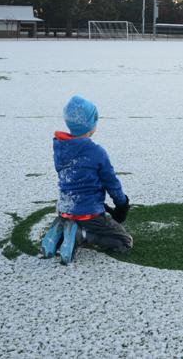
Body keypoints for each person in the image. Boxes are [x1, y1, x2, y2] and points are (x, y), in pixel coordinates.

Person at [48, 95, 132, 257]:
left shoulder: (60, 148)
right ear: (90, 125)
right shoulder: (96, 152)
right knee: (124, 241)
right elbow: (111, 183)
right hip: (88, 213)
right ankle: (81, 235)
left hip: (65, 208)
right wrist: (122, 204)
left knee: (75, 215)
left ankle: (63, 230)